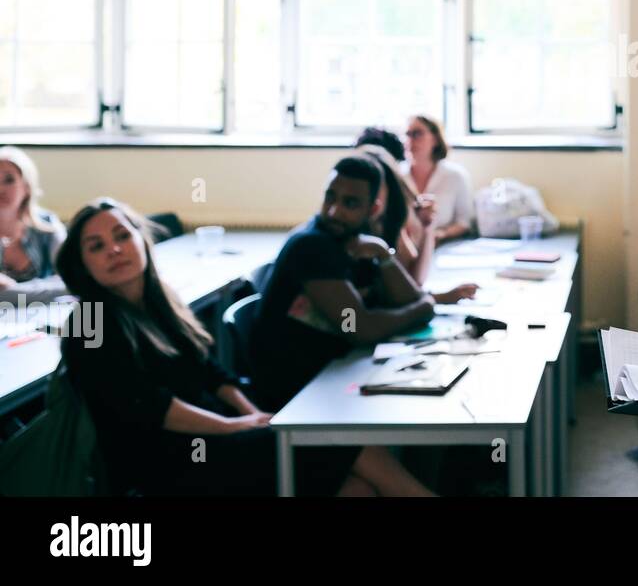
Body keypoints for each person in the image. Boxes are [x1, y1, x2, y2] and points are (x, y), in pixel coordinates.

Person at [57, 198, 424, 496]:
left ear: (141, 240)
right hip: (170, 462)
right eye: (97, 246)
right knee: (338, 441)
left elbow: (210, 371)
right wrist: (233, 427)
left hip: (214, 436)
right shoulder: (90, 320)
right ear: (82, 263)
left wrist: (250, 414)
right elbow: (148, 408)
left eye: (122, 235)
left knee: (356, 488)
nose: (115, 250)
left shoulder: (157, 302)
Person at [250, 154, 444, 412]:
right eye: (330, 197)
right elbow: (360, 328)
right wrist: (424, 308)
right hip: (295, 396)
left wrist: (384, 255)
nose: (334, 211)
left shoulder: (359, 243)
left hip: (336, 375)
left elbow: (407, 299)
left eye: (350, 203)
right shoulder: (312, 245)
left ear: (372, 210)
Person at [354, 139, 477, 300]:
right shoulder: (352, 233)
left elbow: (414, 279)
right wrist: (438, 299)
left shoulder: (390, 222)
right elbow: (372, 307)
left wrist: (428, 228)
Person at [0, 146, 67, 305]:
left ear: (27, 187)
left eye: (9, 180)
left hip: (46, 322)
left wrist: (14, 290)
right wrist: (44, 290)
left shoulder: (48, 225)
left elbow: (74, 281)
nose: (0, 188)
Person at [403, 115, 473, 243]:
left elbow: (464, 223)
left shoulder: (455, 176)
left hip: (442, 246)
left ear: (435, 139)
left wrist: (440, 234)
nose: (411, 139)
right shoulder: (397, 175)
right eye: (408, 134)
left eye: (418, 134)